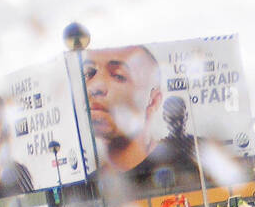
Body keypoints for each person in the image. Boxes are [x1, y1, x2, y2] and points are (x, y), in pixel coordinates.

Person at [82, 46, 200, 190]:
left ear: (153, 100)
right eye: (89, 73)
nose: (94, 86)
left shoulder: (184, 173)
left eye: (118, 76)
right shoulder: (90, 186)